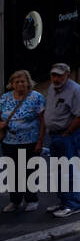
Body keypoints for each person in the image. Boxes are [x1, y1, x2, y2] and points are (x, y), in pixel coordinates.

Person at [44, 63, 80, 217]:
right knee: (58, 170)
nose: (56, 78)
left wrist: (68, 132)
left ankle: (72, 204)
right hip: (55, 134)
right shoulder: (52, 87)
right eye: (53, 75)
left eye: (59, 75)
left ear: (67, 75)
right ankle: (63, 201)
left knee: (69, 169)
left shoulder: (75, 90)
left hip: (68, 135)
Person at [0, 70, 46, 212]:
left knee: (29, 171)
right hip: (9, 141)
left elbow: (43, 121)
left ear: (28, 83)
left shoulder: (36, 97)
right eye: (17, 82)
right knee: (13, 172)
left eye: (23, 81)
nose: (20, 84)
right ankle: (15, 201)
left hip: (30, 141)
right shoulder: (5, 98)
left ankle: (32, 199)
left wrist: (40, 141)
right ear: (12, 84)